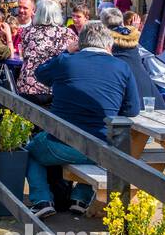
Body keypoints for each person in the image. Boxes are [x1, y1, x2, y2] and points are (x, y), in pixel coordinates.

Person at [24, 22, 140, 218]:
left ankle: (41, 199)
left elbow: (40, 74)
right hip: (102, 147)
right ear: (109, 45)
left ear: (80, 43)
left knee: (29, 151)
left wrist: (66, 52)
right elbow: (133, 109)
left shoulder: (66, 61)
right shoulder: (122, 68)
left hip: (61, 144)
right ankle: (80, 198)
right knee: (98, 146)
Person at [15, 0, 78, 105]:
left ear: (38, 13)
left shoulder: (28, 31)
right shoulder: (67, 33)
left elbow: (25, 54)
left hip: (28, 88)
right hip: (54, 88)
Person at [101, 7, 162, 103]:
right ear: (121, 22)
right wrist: (134, 29)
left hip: (122, 89)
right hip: (145, 87)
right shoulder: (134, 37)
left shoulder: (104, 42)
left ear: (103, 23)